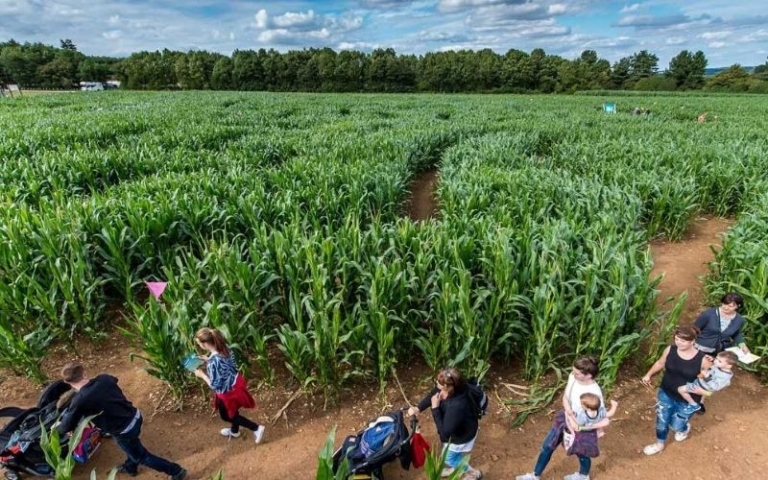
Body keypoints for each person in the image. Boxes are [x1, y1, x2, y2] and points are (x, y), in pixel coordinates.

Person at [56, 362, 187, 479]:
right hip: (135, 416)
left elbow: (65, 427)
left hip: (124, 430)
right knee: (133, 447)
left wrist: (58, 429)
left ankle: (177, 471)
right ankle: (130, 467)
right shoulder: (104, 378)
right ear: (84, 373)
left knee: (141, 456)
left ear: (67, 383)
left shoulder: (79, 401)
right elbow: (114, 380)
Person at [516, 356, 609, 480]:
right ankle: (535, 475)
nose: (573, 374)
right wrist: (569, 412)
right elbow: (566, 396)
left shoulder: (594, 393)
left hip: (581, 428)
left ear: (589, 375)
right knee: (547, 446)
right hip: (564, 419)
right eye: (573, 371)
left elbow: (602, 417)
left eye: (577, 373)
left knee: (582, 453)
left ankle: (583, 475)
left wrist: (592, 429)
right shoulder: (572, 376)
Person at [641, 325, 710, 456]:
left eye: (683, 341)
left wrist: (701, 400)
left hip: (688, 399)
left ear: (693, 342)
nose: (679, 343)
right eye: (677, 339)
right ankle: (659, 444)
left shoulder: (703, 360)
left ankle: (683, 429)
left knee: (676, 425)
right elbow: (660, 363)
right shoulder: (670, 350)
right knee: (662, 421)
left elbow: (706, 382)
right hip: (666, 392)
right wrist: (648, 375)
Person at [407, 367, 483, 479]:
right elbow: (435, 392)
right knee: (452, 456)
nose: (437, 386)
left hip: (461, 436)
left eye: (440, 385)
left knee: (448, 458)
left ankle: (474, 473)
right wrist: (418, 408)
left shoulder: (457, 405)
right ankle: (455, 467)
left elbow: (445, 433)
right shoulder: (456, 385)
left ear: (448, 387)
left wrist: (435, 408)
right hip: (461, 426)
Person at [194, 327, 265, 443]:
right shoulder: (226, 349)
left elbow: (215, 385)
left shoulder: (214, 362)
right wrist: (208, 360)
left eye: (199, 344)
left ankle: (256, 428)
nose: (200, 346)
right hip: (235, 386)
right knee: (233, 411)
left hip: (226, 393)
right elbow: (227, 366)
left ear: (205, 344)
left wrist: (202, 375)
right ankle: (234, 431)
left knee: (227, 416)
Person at [677, 350, 737, 415]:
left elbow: (716, 387)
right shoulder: (721, 366)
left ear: (728, 366)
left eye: (719, 361)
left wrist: (707, 377)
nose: (715, 361)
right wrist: (712, 359)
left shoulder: (723, 376)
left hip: (702, 386)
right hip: (701, 382)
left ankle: (693, 405)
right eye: (716, 358)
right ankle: (697, 401)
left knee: (681, 389)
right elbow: (716, 364)